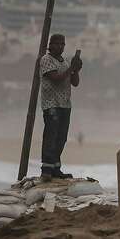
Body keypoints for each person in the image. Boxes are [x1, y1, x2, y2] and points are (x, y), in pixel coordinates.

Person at [38, 33, 82, 182]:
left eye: (62, 44)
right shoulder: (46, 60)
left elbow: (75, 83)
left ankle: (56, 168)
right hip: (51, 104)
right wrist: (71, 69)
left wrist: (76, 69)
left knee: (61, 137)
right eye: (56, 43)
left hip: (65, 104)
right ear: (50, 44)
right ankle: (46, 170)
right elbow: (56, 79)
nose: (60, 46)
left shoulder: (65, 62)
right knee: (51, 136)